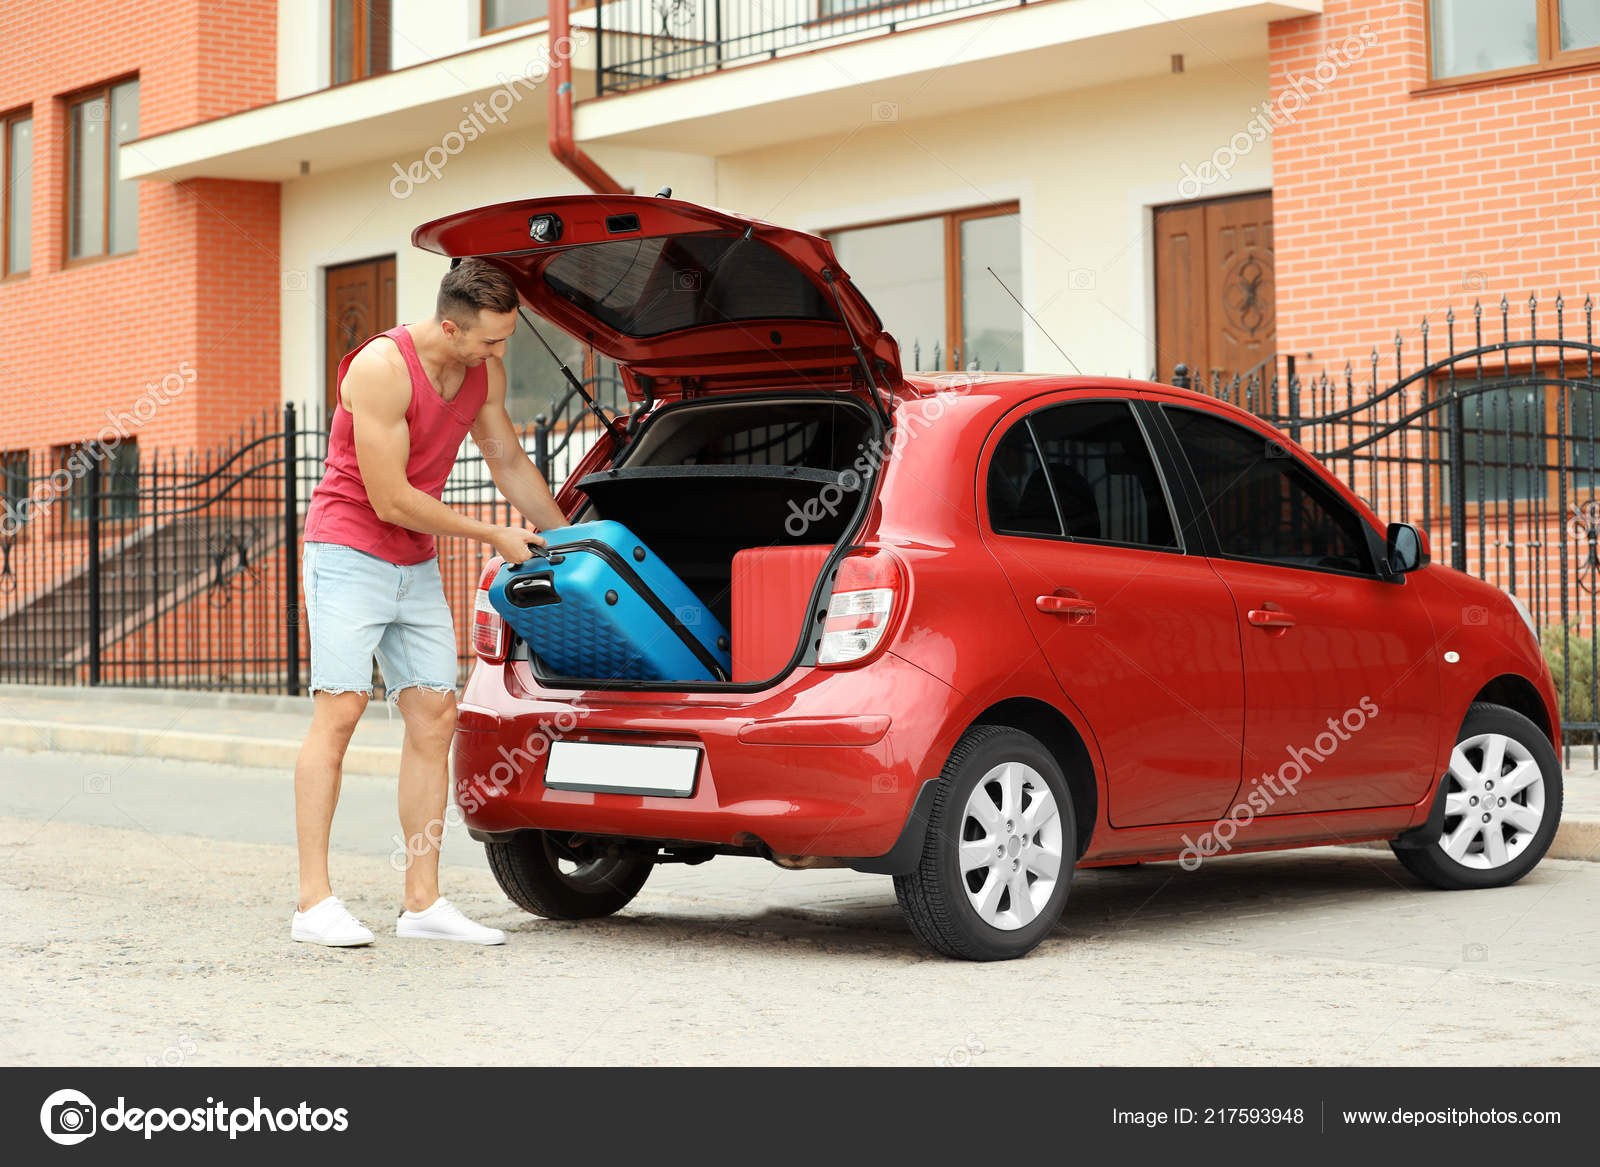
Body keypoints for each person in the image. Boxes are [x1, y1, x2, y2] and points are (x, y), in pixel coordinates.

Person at [290, 258, 567, 947]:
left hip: (413, 560)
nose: (499, 353)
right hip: (349, 549)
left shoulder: (481, 374)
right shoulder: (381, 367)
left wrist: (571, 538)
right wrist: (491, 532)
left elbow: (505, 459)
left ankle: (422, 902)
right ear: (450, 325)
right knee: (342, 709)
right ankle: (313, 902)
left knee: (435, 715)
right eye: (491, 341)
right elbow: (389, 498)